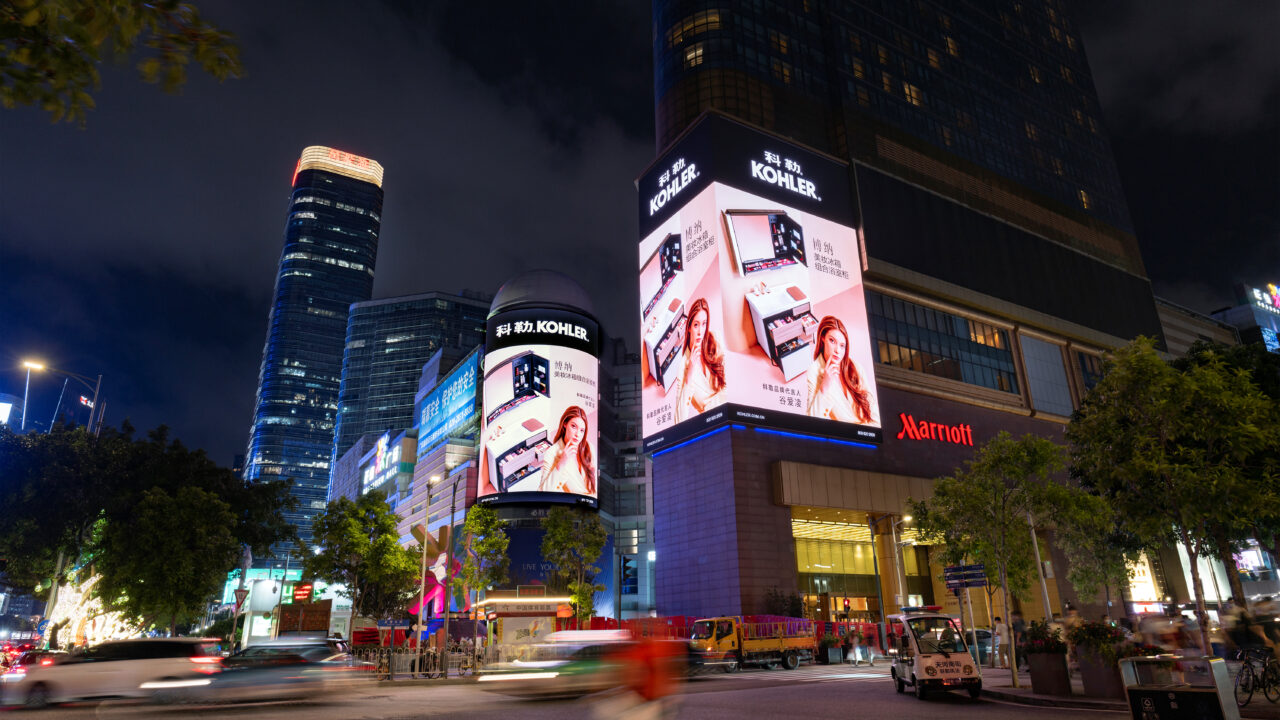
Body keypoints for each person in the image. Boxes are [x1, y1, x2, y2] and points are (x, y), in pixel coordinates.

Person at [805, 316, 875, 424]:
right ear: (823, 338)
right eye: (832, 341)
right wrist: (824, 387)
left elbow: (873, 409)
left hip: (869, 433)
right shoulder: (814, 371)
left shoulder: (856, 367)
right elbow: (811, 422)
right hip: (846, 438)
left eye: (842, 346)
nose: (837, 350)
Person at [674, 298, 725, 422]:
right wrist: (690, 372)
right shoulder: (683, 367)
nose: (700, 332)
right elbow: (679, 421)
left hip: (729, 410)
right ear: (689, 327)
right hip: (712, 422)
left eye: (704, 324)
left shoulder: (716, 338)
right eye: (696, 325)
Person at [538, 405, 595, 495]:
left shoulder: (589, 447)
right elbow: (542, 494)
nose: (577, 434)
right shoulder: (552, 453)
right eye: (573, 426)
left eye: (582, 430)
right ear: (565, 424)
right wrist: (562, 463)